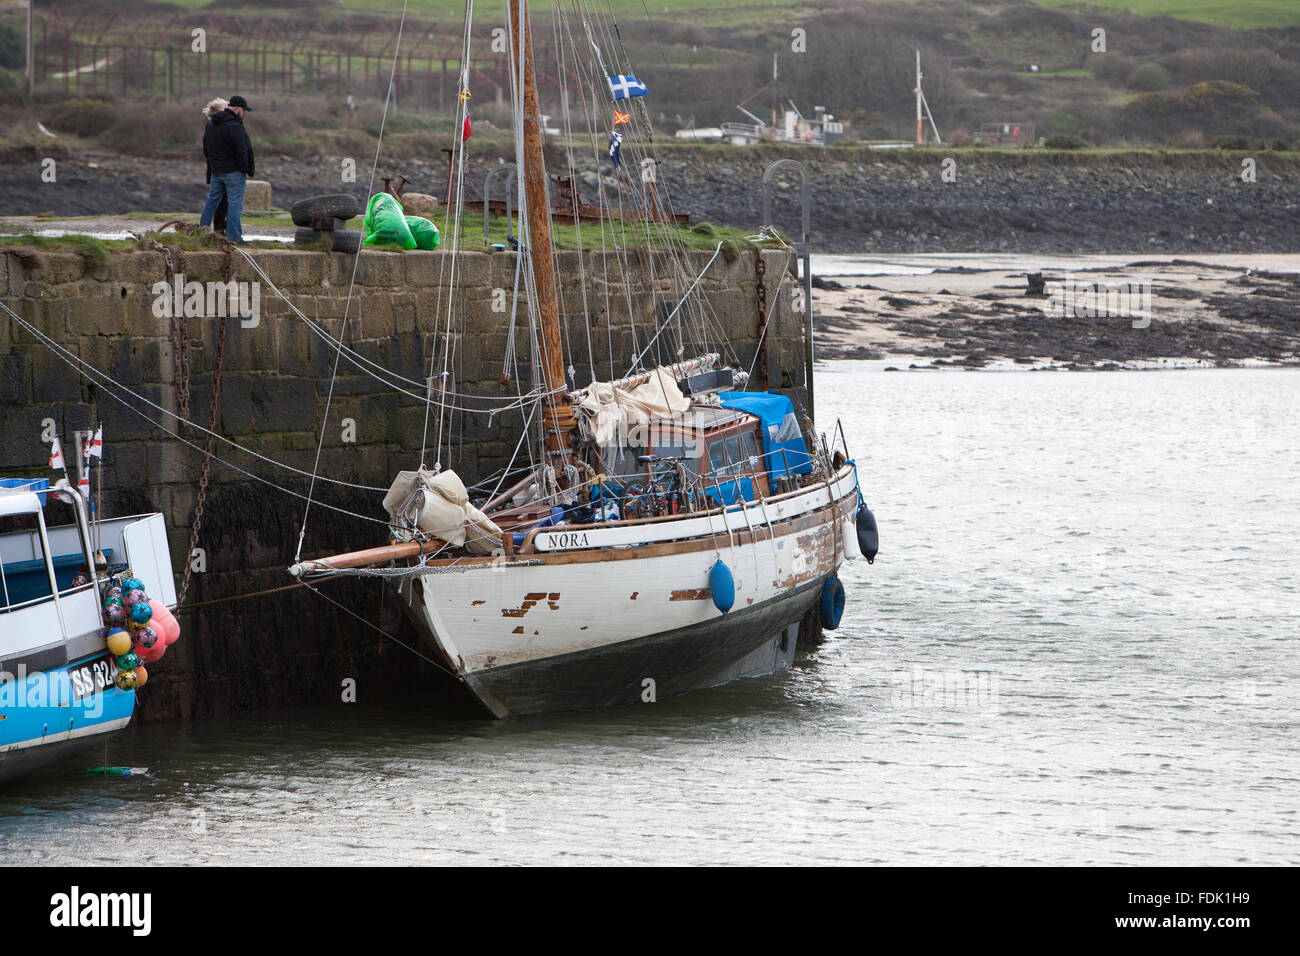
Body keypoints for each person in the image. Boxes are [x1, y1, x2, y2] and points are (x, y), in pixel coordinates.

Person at [198, 94, 256, 244]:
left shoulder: (211, 124)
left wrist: (214, 165)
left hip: (216, 171)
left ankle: (201, 232)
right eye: (244, 111)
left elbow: (206, 148)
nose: (245, 114)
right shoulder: (235, 126)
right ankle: (235, 237)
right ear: (237, 109)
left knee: (212, 202)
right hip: (234, 172)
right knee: (235, 205)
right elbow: (241, 150)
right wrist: (244, 168)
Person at [201, 98, 229, 234]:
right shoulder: (216, 126)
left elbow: (206, 149)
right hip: (221, 168)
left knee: (218, 200)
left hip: (214, 167)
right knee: (219, 201)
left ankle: (213, 228)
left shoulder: (210, 126)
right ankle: (218, 229)